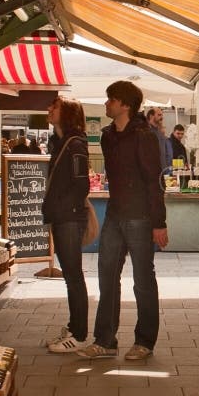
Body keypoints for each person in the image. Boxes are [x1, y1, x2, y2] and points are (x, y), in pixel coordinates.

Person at [78, 81, 167, 361]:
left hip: (140, 217)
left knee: (142, 280)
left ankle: (145, 341)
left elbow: (155, 180)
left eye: (110, 100)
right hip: (115, 215)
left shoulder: (144, 136)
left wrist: (159, 223)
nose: (106, 104)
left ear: (125, 105)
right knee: (107, 276)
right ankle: (105, 341)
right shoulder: (107, 136)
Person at [42, 97, 90, 354]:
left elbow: (81, 184)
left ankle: (80, 334)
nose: (49, 109)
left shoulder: (75, 145)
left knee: (73, 276)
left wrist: (64, 208)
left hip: (69, 218)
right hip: (63, 217)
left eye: (55, 106)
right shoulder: (61, 143)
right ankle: (74, 327)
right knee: (71, 276)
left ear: (68, 113)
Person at [146, 107, 173, 172]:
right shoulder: (146, 132)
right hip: (151, 170)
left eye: (162, 115)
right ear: (151, 116)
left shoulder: (160, 132)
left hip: (163, 170)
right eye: (159, 115)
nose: (162, 117)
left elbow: (165, 152)